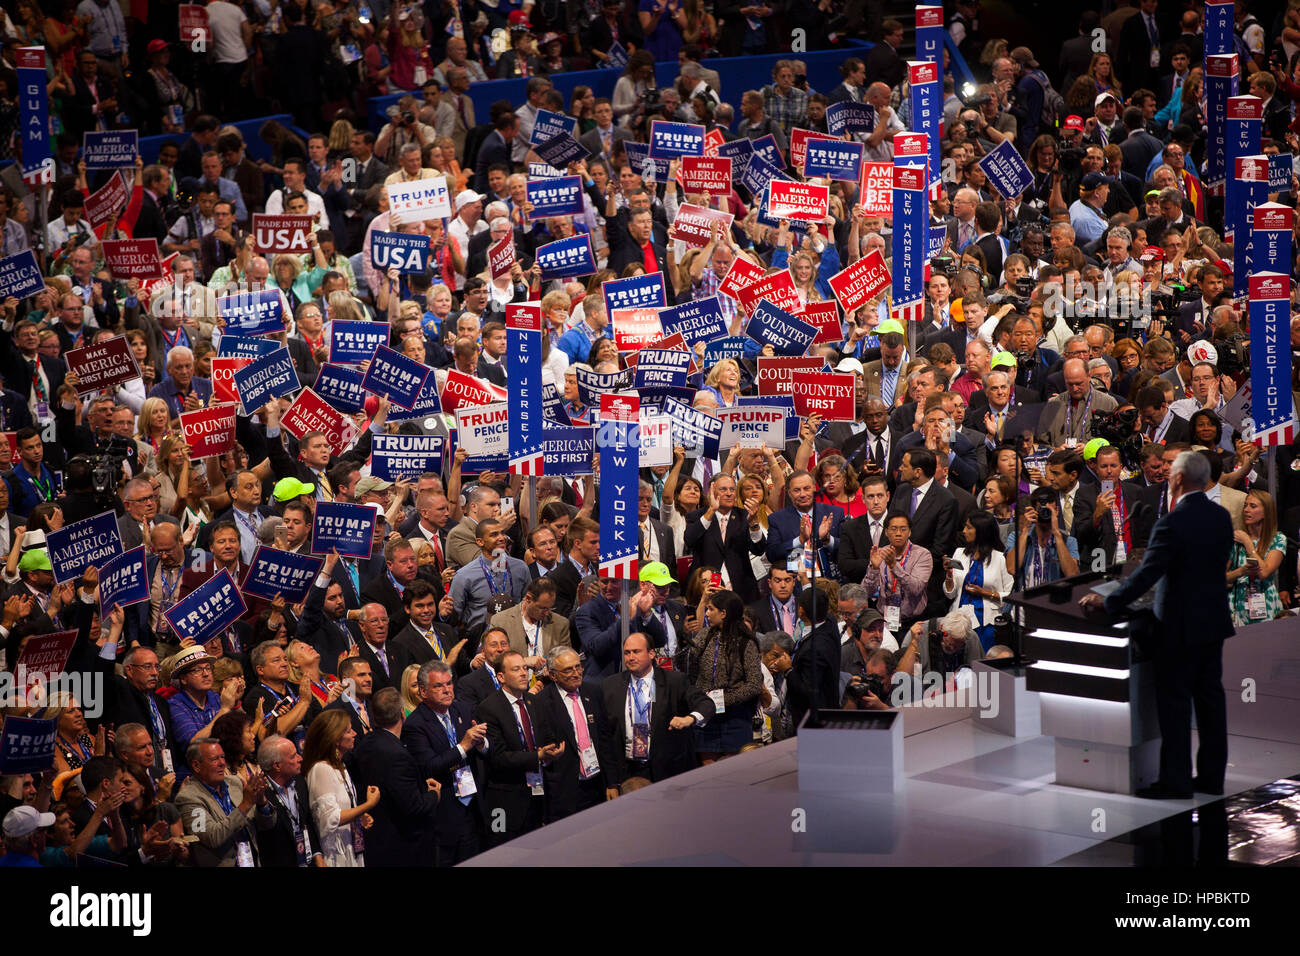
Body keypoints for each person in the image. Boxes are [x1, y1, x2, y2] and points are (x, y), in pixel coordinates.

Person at [1081, 451, 1234, 799]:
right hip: (1213, 621)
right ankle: (1211, 779)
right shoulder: (1221, 517)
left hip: (1178, 625)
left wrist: (1109, 602)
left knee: (1175, 703)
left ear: (1178, 480)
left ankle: (1176, 781)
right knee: (1211, 701)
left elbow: (1147, 574)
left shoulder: (1172, 523)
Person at [599, 633, 715, 788]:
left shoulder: (674, 681)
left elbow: (706, 704)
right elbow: (604, 736)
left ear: (651, 653)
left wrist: (689, 718)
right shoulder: (609, 686)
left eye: (636, 651)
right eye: (627, 653)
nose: (631, 657)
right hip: (628, 771)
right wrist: (612, 782)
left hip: (667, 772)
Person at [402, 660, 487, 865]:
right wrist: (463, 746)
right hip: (443, 815)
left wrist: (481, 744)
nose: (447, 690)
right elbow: (429, 767)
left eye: (449, 684)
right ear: (422, 692)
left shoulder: (463, 710)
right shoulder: (415, 724)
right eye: (438, 686)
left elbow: (483, 749)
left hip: (472, 805)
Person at [474, 650, 562, 846]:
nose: (524, 673)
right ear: (501, 677)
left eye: (525, 668)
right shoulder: (488, 708)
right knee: (502, 853)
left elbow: (547, 737)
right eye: (516, 669)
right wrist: (537, 756)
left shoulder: (533, 702)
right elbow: (498, 757)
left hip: (537, 794)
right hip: (504, 800)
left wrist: (550, 753)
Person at [352, 687, 441, 866]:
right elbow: (413, 807)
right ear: (402, 713)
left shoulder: (366, 743)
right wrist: (434, 794)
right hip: (403, 846)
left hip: (376, 841)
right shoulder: (398, 755)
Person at [684, 589, 763, 761]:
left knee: (733, 773)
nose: (707, 613)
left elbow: (754, 685)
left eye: (711, 609)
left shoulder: (746, 643)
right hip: (707, 716)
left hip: (736, 718)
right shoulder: (704, 635)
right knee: (707, 771)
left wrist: (724, 699)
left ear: (724, 613)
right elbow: (688, 667)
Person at [175, 737, 276, 867]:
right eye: (214, 759)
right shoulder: (188, 799)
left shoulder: (235, 783)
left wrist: (261, 802)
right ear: (196, 766)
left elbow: (268, 824)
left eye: (222, 757)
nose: (222, 763)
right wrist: (246, 803)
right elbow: (212, 837)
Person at [302, 709, 378, 867]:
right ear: (335, 738)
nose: (355, 734)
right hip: (334, 855)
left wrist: (358, 817)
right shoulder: (321, 769)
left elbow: (342, 809)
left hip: (350, 848)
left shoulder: (340, 766)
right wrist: (368, 805)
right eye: (349, 731)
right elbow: (330, 819)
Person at [942, 512, 1013, 652]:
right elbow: (950, 594)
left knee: (983, 665)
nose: (964, 531)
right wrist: (949, 576)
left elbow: (1011, 595)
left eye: (969, 528)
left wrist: (985, 593)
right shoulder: (959, 553)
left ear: (981, 531)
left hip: (986, 623)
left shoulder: (1001, 558)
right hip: (959, 621)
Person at [257, 735, 325, 868]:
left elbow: (306, 822)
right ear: (277, 765)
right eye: (293, 756)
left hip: (307, 861)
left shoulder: (299, 781)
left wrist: (318, 856)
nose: (301, 759)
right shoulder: (261, 792)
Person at [1225, 490, 1286, 628]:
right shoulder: (1235, 539)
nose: (1246, 510)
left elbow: (1264, 573)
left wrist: (1248, 543)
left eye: (1253, 506)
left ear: (1266, 512)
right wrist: (1240, 572)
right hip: (1237, 609)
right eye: (1245, 505)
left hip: (1266, 606)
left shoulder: (1277, 539)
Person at [786, 586, 842, 730]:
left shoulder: (814, 649)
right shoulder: (830, 623)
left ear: (801, 611)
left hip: (813, 722)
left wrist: (787, 671)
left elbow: (808, 691)